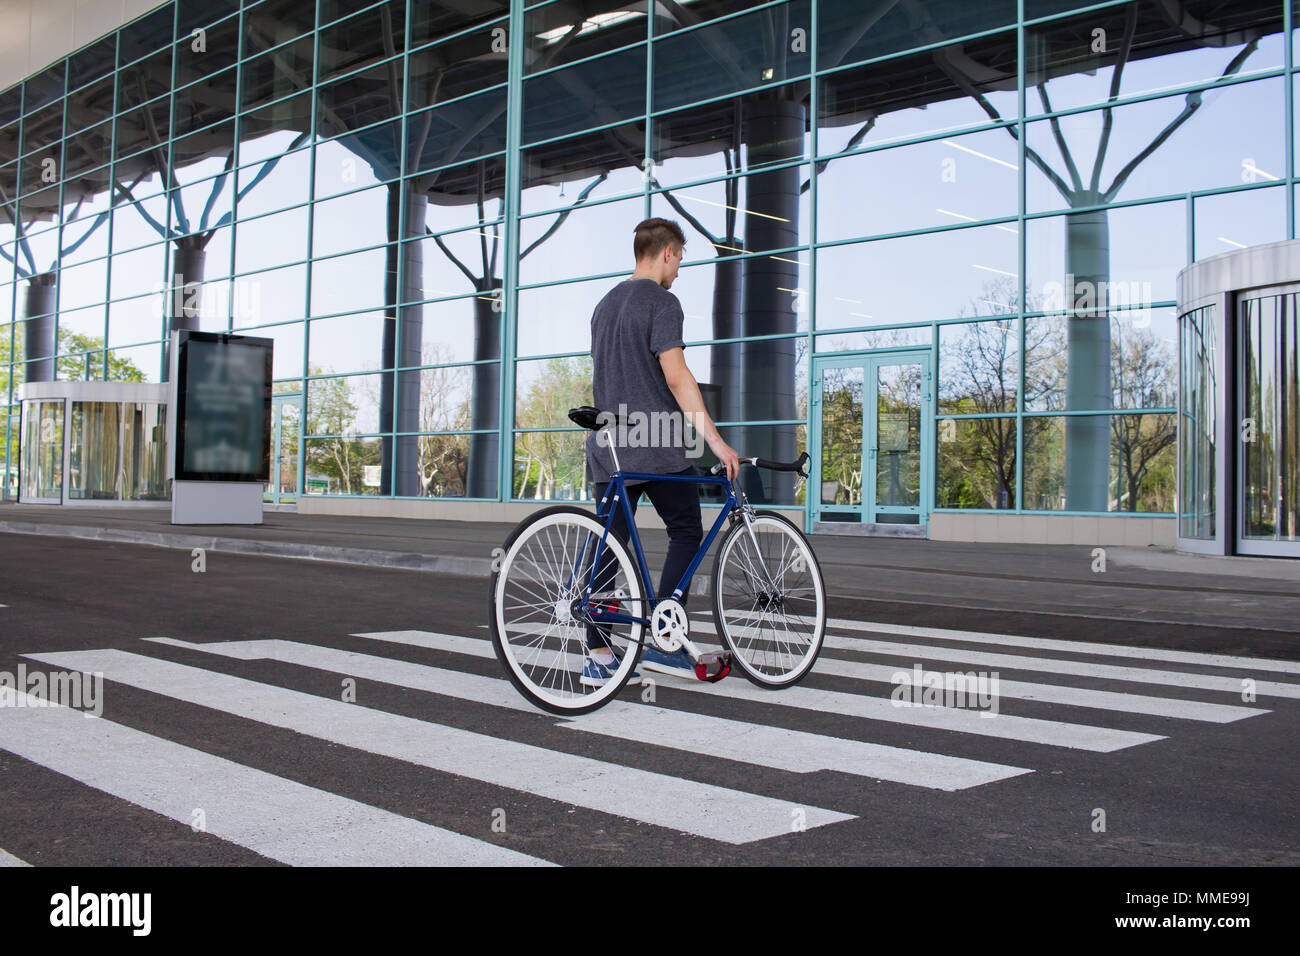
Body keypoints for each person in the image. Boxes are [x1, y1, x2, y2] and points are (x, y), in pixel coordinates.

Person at [583, 218, 740, 686]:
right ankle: (664, 638)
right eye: (681, 260)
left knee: (609, 546)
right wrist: (717, 441)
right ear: (667, 253)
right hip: (656, 443)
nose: (679, 271)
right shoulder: (662, 302)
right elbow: (676, 377)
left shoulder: (603, 306)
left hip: (610, 447)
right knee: (687, 531)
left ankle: (597, 653)